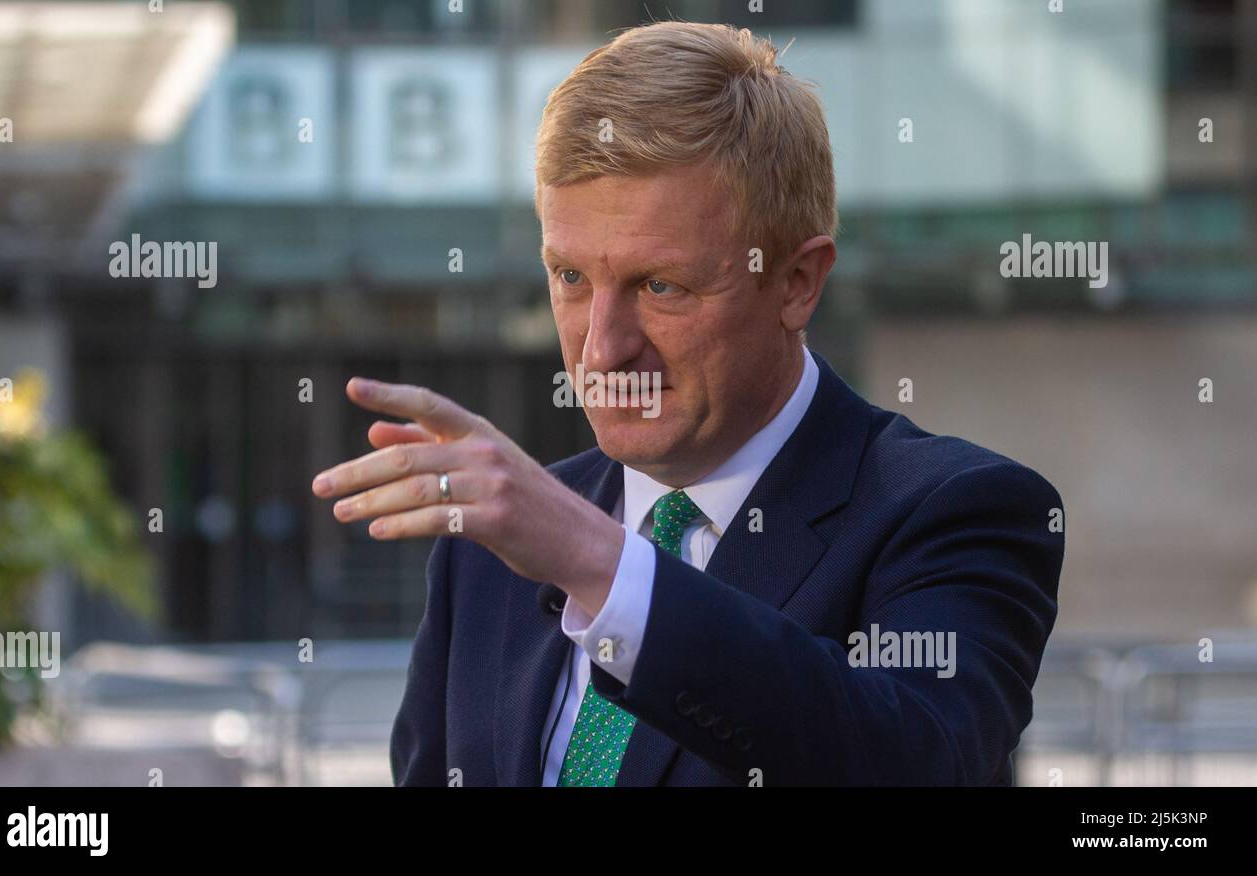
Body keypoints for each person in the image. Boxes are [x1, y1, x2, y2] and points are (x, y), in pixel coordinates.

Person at [312, 21, 1064, 786]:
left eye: (660, 286)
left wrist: (604, 567)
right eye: (570, 279)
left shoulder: (957, 510)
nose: (602, 350)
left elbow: (921, 763)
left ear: (798, 283)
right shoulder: (490, 551)